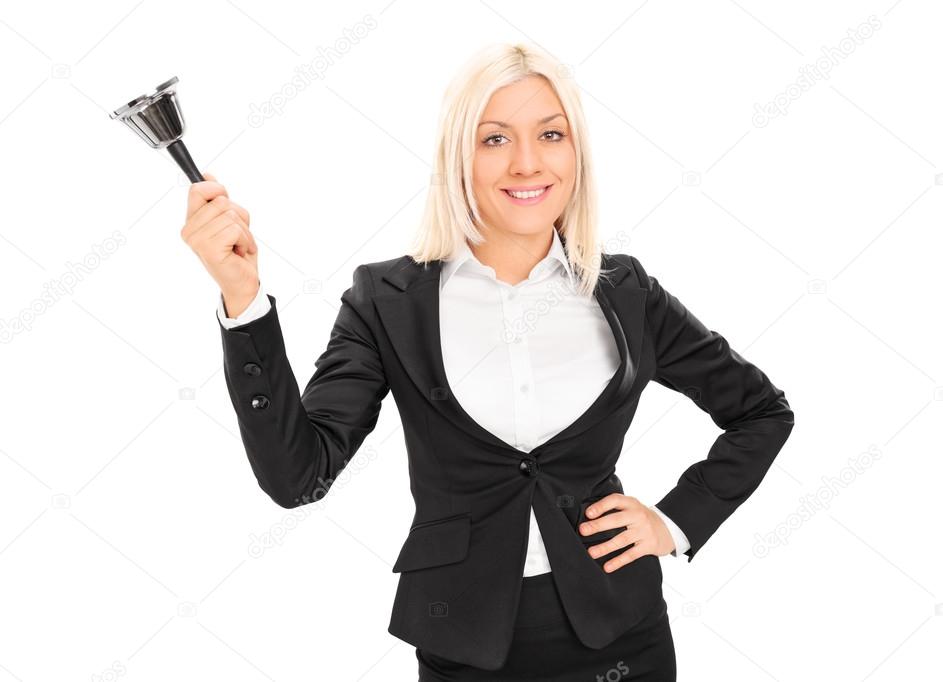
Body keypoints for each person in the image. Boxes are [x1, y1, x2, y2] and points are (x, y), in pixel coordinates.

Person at [180, 42, 795, 681]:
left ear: (575, 153)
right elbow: (296, 476)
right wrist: (244, 300)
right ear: (458, 159)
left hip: (622, 639)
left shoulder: (626, 292)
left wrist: (674, 520)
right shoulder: (388, 302)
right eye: (495, 138)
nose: (527, 163)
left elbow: (761, 412)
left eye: (550, 134)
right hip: (465, 646)